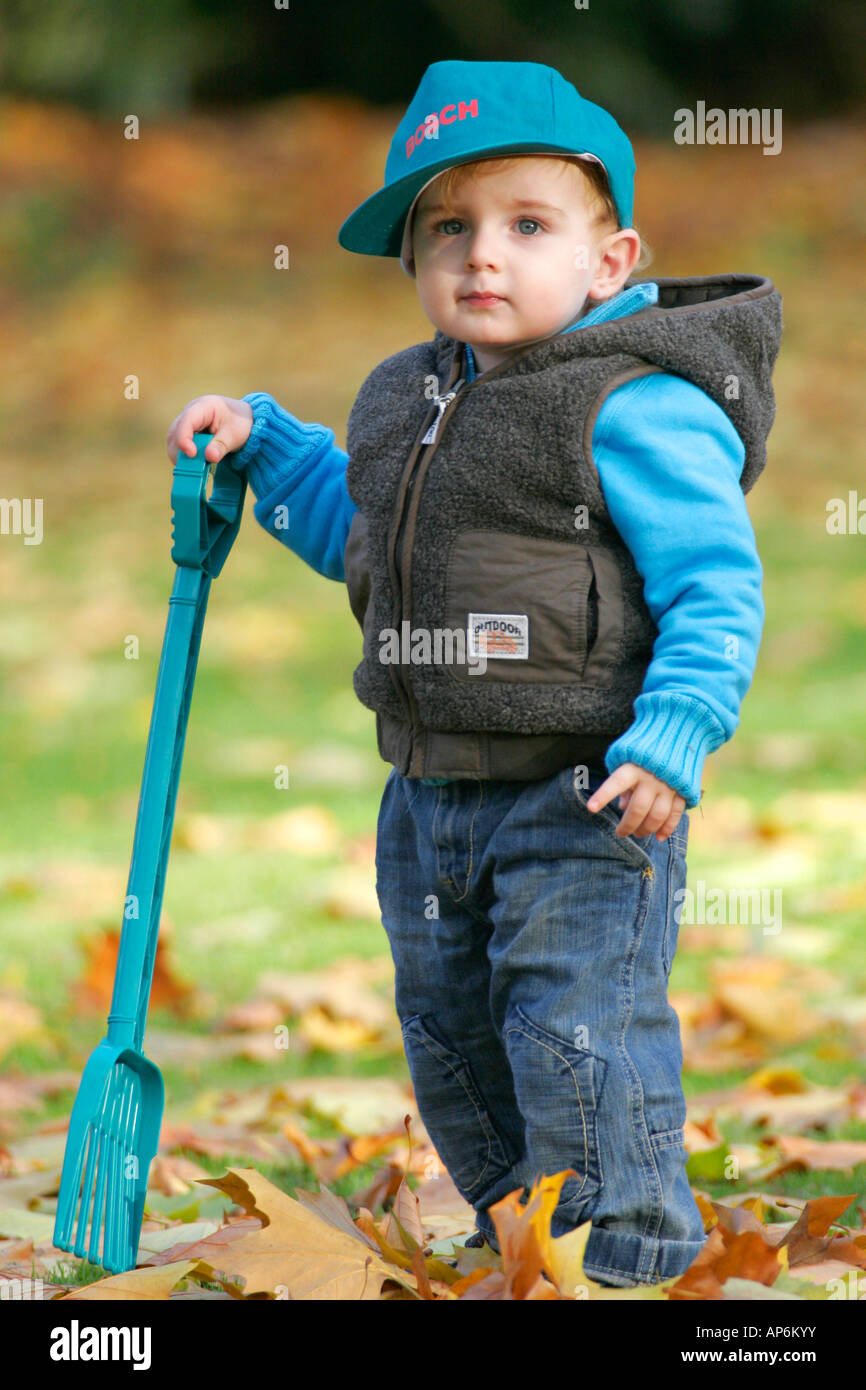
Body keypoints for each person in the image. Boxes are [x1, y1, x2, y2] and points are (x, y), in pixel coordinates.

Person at [166, 59, 783, 1288]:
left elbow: (714, 585)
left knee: (575, 1029)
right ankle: (518, 1234)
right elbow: (359, 526)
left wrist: (674, 733)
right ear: (411, 257)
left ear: (609, 261)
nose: (481, 257)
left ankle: (620, 1253)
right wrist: (265, 446)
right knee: (451, 1035)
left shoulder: (630, 404)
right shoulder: (409, 395)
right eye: (447, 227)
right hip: (430, 797)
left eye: (525, 224)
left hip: (583, 794)